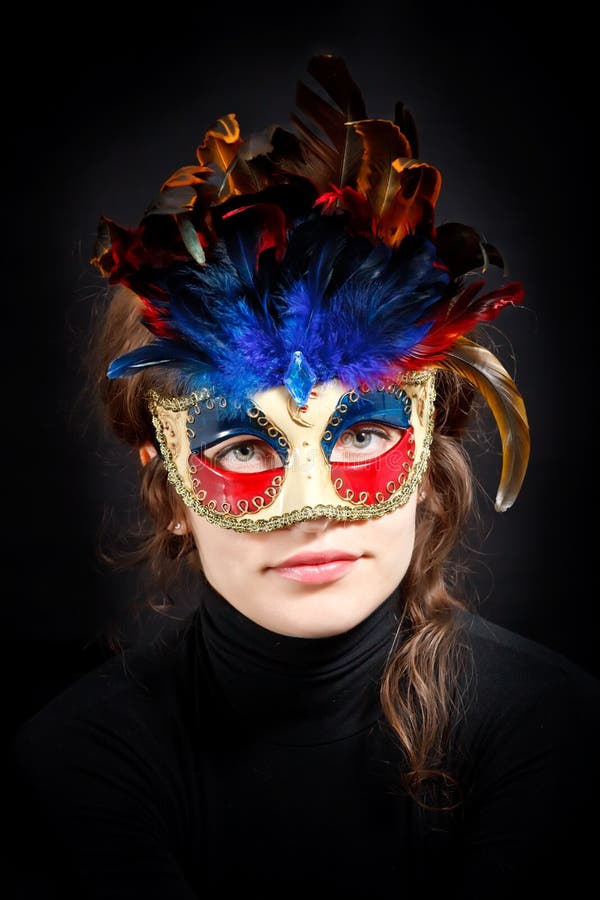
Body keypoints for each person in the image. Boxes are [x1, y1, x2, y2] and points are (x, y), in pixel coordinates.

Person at [10, 54, 599, 899]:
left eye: (362, 433)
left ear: (430, 464)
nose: (311, 509)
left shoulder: (559, 730)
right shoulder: (79, 755)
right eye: (244, 448)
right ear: (170, 488)